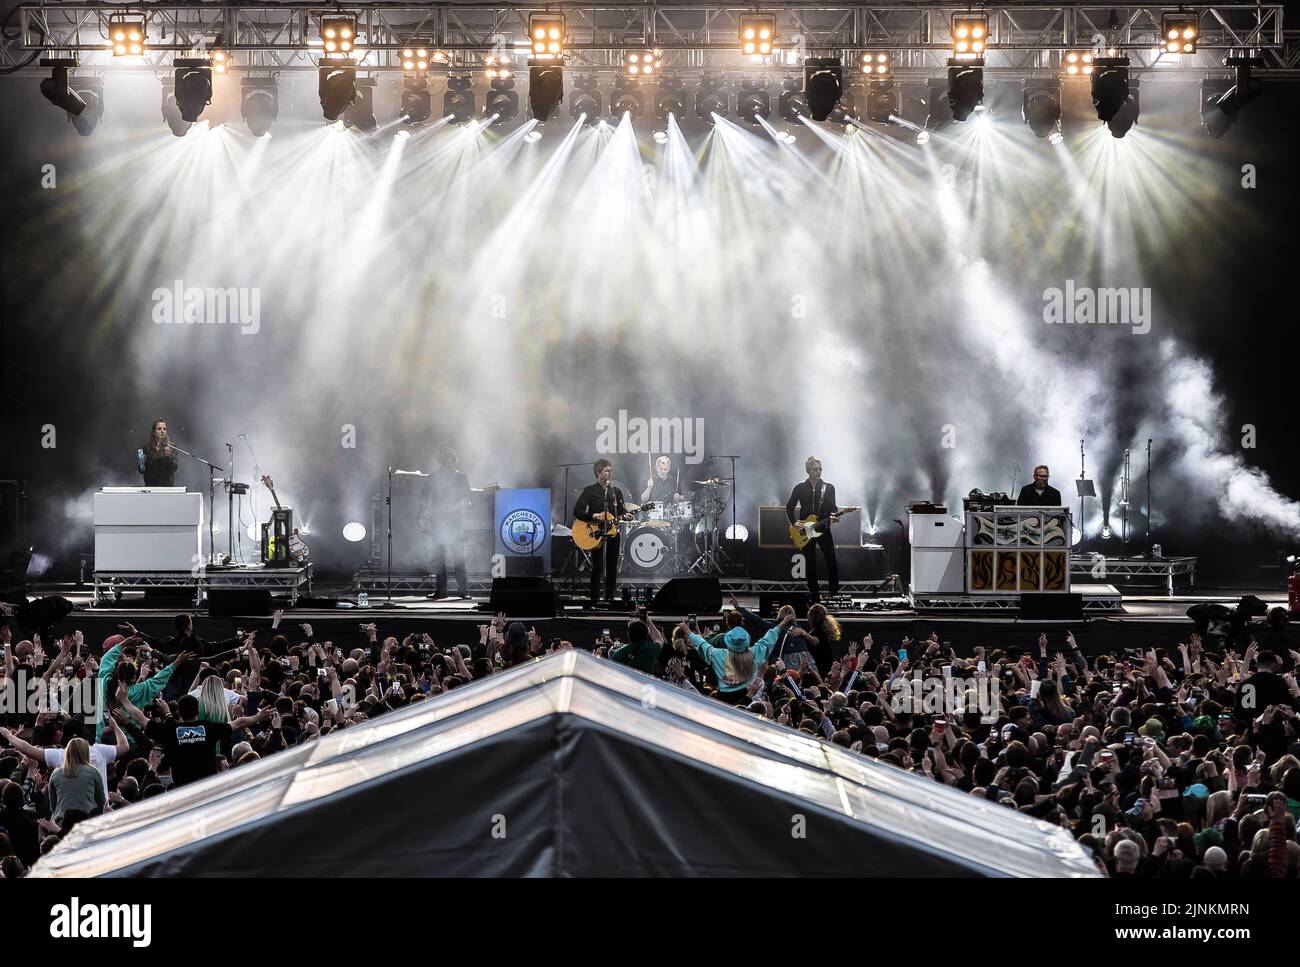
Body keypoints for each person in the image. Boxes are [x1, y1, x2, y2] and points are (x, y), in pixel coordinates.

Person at [146, 693, 271, 787]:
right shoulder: (209, 727)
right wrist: (258, 716)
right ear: (197, 710)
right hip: (208, 788)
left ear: (178, 712)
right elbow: (239, 723)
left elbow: (142, 720)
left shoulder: (170, 730)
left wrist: (126, 701)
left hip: (182, 790)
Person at [680, 611, 793, 705]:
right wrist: (783, 622)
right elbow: (769, 638)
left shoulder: (718, 655)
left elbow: (702, 644)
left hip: (724, 699)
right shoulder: (754, 654)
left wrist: (688, 631)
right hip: (747, 697)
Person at [573, 459, 633, 607]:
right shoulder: (589, 491)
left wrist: (627, 515)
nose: (610, 473)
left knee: (612, 566)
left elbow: (621, 510)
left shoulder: (616, 491)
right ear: (599, 473)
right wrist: (591, 516)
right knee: (598, 566)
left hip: (613, 533)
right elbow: (577, 511)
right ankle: (594, 598)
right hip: (596, 533)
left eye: (611, 470)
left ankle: (610, 597)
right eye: (607, 470)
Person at [786, 457, 842, 601]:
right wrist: (794, 523)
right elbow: (789, 507)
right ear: (808, 471)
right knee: (810, 564)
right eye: (815, 469)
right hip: (805, 529)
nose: (818, 472)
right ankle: (815, 596)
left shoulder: (829, 487)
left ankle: (834, 593)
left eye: (820, 469)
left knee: (831, 560)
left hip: (823, 527)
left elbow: (833, 508)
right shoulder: (799, 487)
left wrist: (834, 516)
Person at [420, 446, 472, 600]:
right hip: (438, 521)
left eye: (449, 458)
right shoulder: (433, 477)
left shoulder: (460, 477)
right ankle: (441, 591)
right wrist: (426, 513)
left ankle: (463, 590)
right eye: (444, 459)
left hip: (455, 522)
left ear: (453, 460)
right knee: (439, 557)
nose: (447, 462)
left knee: (458, 557)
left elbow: (467, 498)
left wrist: (457, 506)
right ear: (441, 460)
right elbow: (423, 498)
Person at [47, 738, 106, 828]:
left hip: (62, 823)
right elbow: (102, 802)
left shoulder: (55, 774)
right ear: (85, 752)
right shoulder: (93, 771)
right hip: (88, 821)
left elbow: (53, 806)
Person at [138, 418, 178, 487]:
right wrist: (142, 463)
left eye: (164, 429)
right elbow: (141, 470)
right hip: (151, 487)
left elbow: (174, 468)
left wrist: (168, 456)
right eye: (159, 429)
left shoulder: (172, 447)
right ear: (154, 432)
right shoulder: (145, 448)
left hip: (167, 487)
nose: (162, 431)